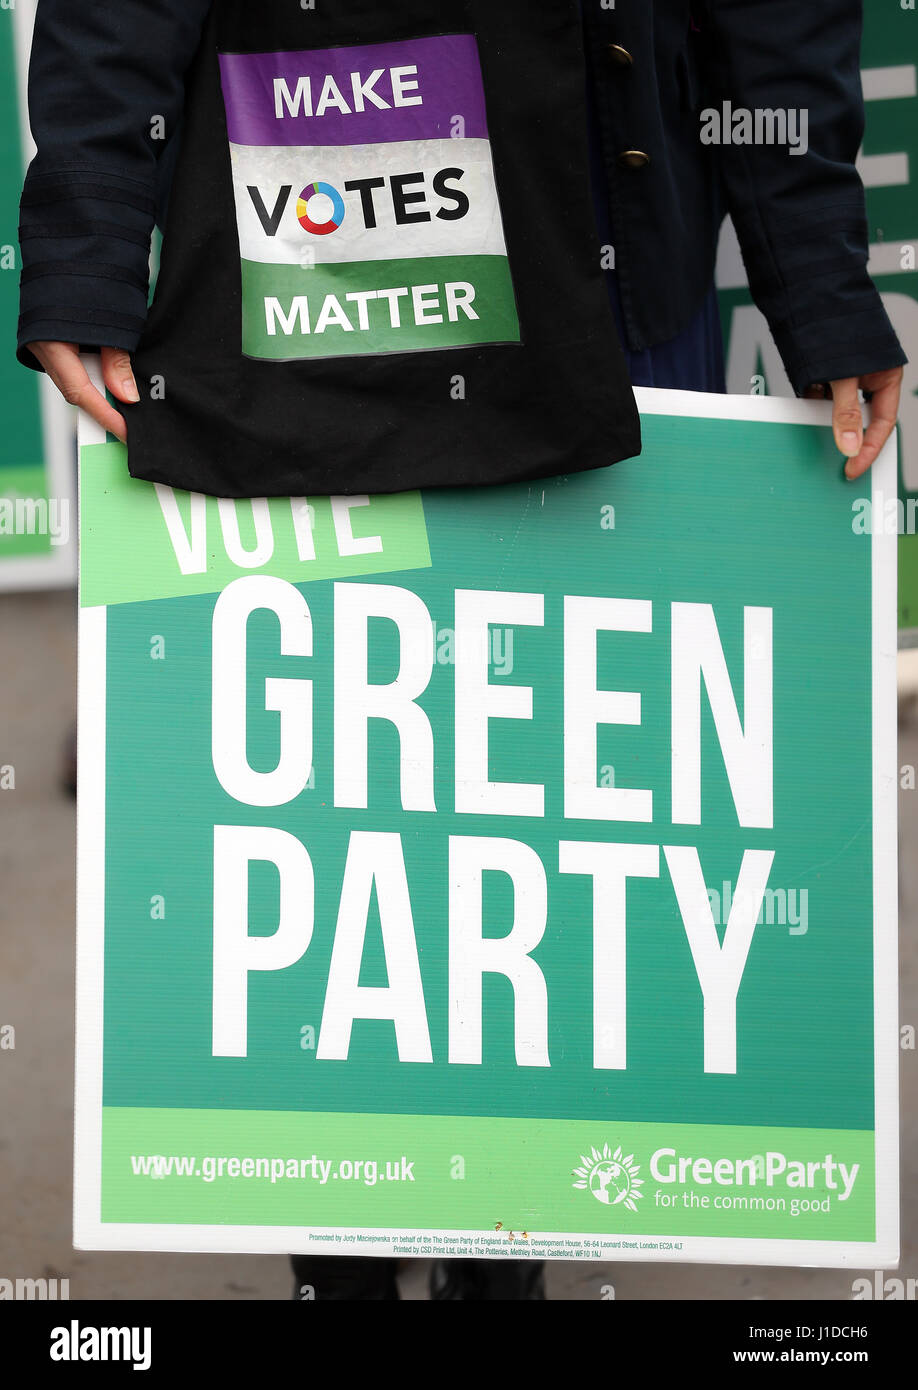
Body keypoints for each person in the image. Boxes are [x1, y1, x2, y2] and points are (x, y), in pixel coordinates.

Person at [16, 0, 906, 1300]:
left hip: (604, 241)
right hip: (322, 212)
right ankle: (342, 1248)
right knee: (331, 797)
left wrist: (819, 279)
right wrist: (89, 250)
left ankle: (511, 1249)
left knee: (551, 801)